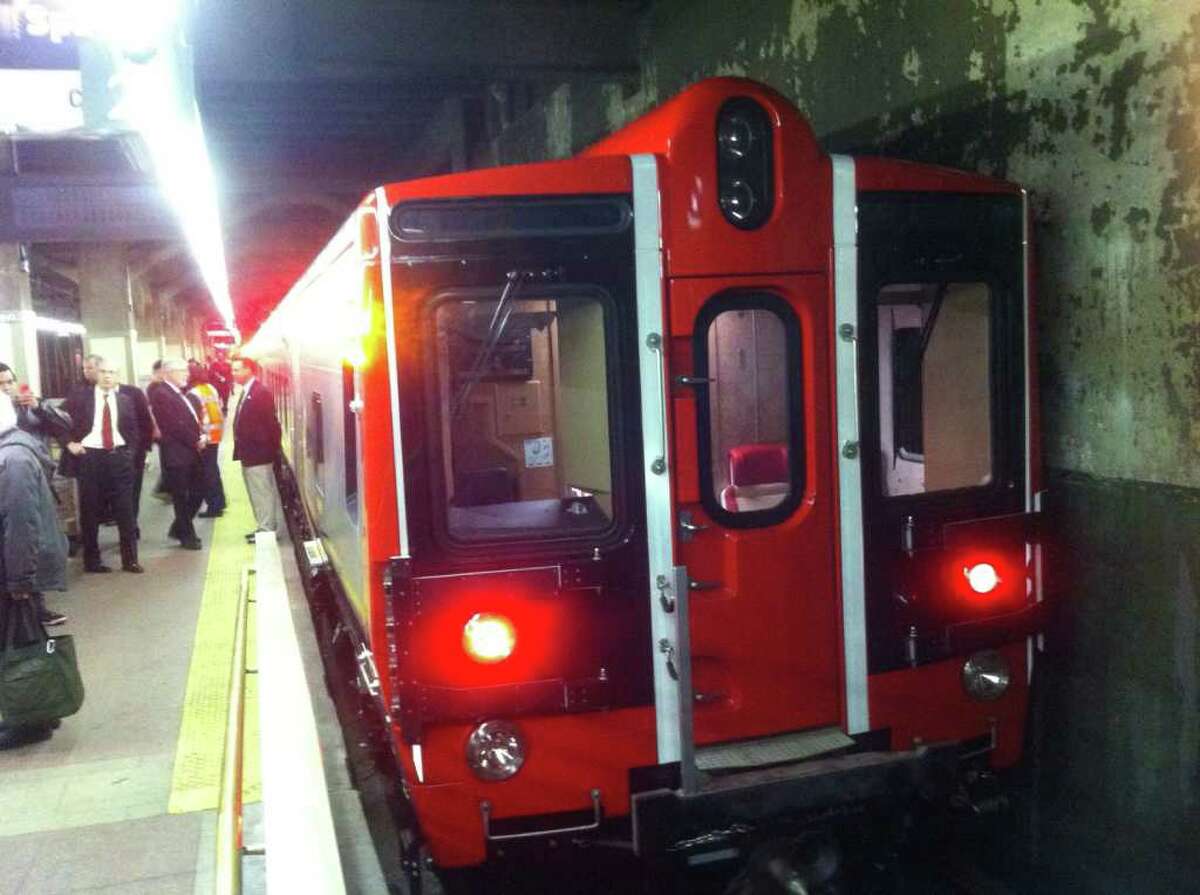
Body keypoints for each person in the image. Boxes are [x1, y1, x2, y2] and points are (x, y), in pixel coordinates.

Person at [0, 394, 70, 748]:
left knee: (18, 647)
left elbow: (21, 524)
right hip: (14, 570)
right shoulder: (14, 451)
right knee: (29, 642)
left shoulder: (11, 459)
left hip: (12, 572)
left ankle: (28, 719)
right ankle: (42, 709)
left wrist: (19, 580)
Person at [62, 358, 143, 573]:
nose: (107, 376)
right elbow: (58, 420)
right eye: (104, 371)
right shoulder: (81, 398)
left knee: (126, 511)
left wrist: (129, 454)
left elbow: (133, 430)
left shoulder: (125, 400)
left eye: (112, 372)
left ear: (118, 376)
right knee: (90, 512)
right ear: (97, 374)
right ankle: (92, 561)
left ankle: (130, 559)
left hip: (118, 458)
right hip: (90, 458)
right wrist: (69, 443)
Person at [150, 359, 206, 550]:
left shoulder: (178, 393)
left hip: (188, 452)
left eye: (186, 370)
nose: (186, 374)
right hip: (176, 455)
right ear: (167, 373)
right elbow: (174, 424)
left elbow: (189, 420)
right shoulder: (161, 394)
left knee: (198, 492)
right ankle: (187, 537)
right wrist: (195, 440)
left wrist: (201, 435)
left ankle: (179, 528)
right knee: (181, 498)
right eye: (181, 370)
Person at [230, 356, 282, 543]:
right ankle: (262, 526)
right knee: (255, 493)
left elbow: (272, 424)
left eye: (237, 370)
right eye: (233, 370)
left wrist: (272, 451)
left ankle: (267, 531)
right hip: (250, 454)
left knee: (262, 493)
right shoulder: (249, 391)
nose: (233, 373)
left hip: (259, 454)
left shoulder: (260, 392)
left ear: (248, 370)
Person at [0, 362, 72, 445]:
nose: (6, 387)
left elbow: (66, 423)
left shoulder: (32, 403)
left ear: (15, 383)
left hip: (35, 455)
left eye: (10, 382)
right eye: (0, 383)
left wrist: (38, 408)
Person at [189, 367, 226, 517]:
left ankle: (214, 506)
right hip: (215, 434)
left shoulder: (193, 394)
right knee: (212, 469)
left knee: (207, 472)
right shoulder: (210, 388)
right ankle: (219, 502)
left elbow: (194, 418)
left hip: (205, 437)